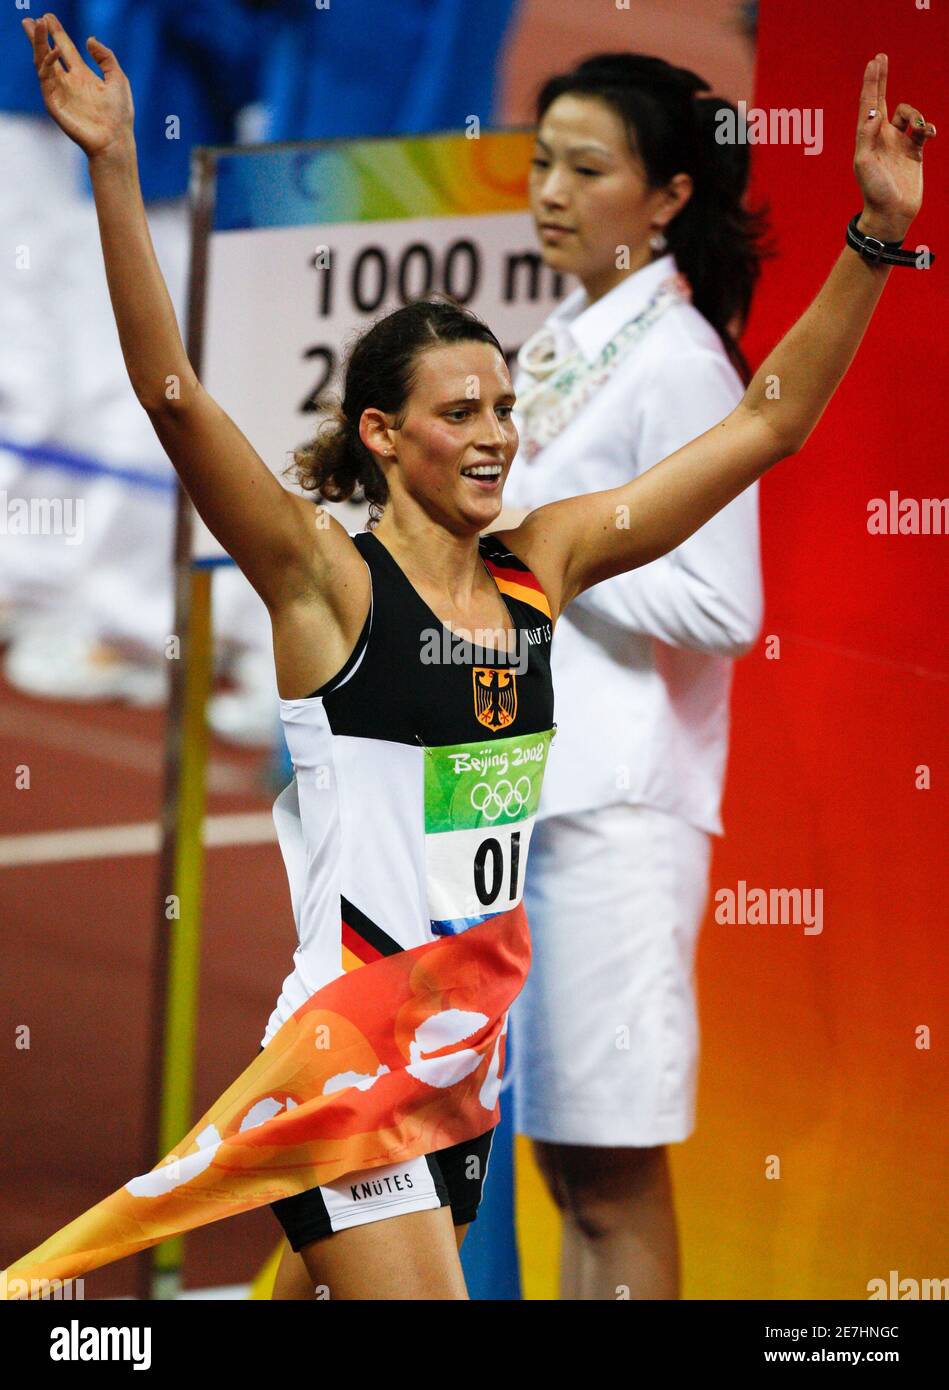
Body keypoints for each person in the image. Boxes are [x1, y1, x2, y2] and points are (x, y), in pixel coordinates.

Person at [8, 14, 933, 1301]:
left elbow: (764, 430)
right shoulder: (319, 579)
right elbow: (173, 392)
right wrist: (115, 170)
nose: (499, 436)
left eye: (505, 406)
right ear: (383, 436)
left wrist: (874, 239)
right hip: (352, 1060)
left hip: (459, 1065)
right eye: (463, 415)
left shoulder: (541, 563)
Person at [494, 53, 768, 1300]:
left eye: (585, 168)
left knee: (608, 1174)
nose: (549, 191)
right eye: (543, 160)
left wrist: (548, 550)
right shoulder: (561, 338)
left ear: (665, 196)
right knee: (559, 1169)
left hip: (614, 815)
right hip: (526, 798)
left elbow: (723, 604)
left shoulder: (680, 363)